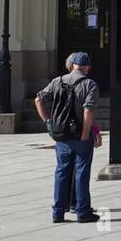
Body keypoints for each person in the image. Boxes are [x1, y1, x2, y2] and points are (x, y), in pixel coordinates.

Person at [36, 52, 100, 224]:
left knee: (62, 171)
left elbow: (39, 99)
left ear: (72, 66)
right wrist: (88, 133)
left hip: (62, 135)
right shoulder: (89, 84)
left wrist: (48, 122)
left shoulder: (58, 81)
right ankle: (82, 211)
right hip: (80, 134)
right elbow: (88, 111)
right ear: (87, 67)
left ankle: (58, 212)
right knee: (81, 172)